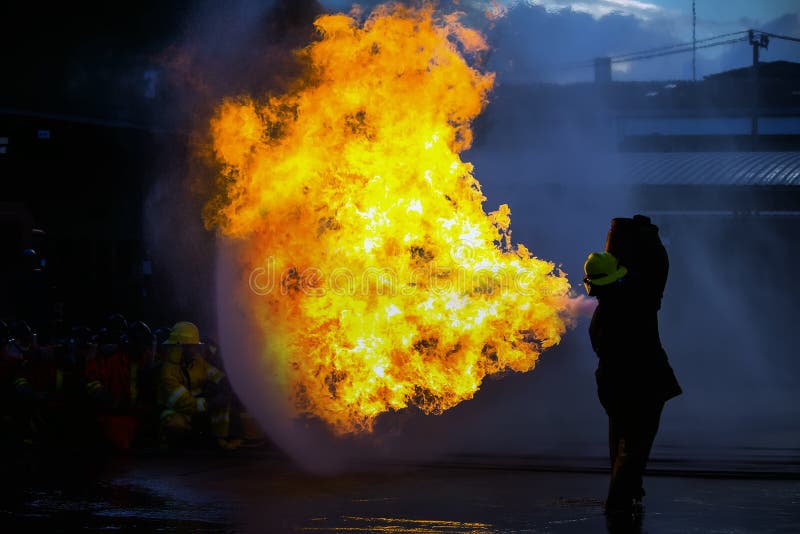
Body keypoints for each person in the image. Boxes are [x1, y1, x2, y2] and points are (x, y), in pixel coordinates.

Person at [583, 250, 682, 515]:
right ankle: (619, 505)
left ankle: (628, 494)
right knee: (634, 449)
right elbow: (658, 269)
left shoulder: (600, 319)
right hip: (643, 387)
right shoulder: (638, 301)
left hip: (614, 389)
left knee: (621, 447)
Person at [157, 321, 239, 450]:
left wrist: (226, 385)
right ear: (181, 347)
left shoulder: (197, 361)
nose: (196, 350)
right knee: (175, 423)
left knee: (223, 404)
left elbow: (215, 374)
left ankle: (219, 440)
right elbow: (185, 404)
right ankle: (176, 447)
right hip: (179, 411)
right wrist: (211, 403)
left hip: (198, 409)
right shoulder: (167, 372)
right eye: (192, 346)